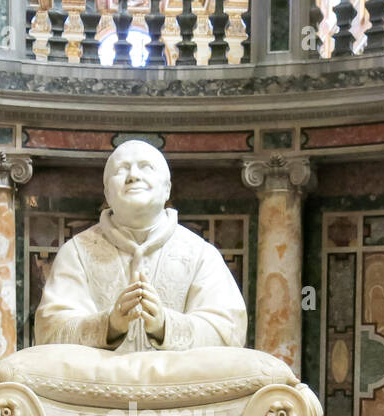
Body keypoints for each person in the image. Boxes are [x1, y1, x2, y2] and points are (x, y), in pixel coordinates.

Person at [34, 140, 247, 352]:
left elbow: (229, 333)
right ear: (108, 194)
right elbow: (50, 332)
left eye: (146, 167)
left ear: (167, 189)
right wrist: (109, 326)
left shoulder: (201, 254)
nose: (133, 176)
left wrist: (165, 326)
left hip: (174, 383)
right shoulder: (76, 252)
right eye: (121, 169)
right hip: (101, 383)